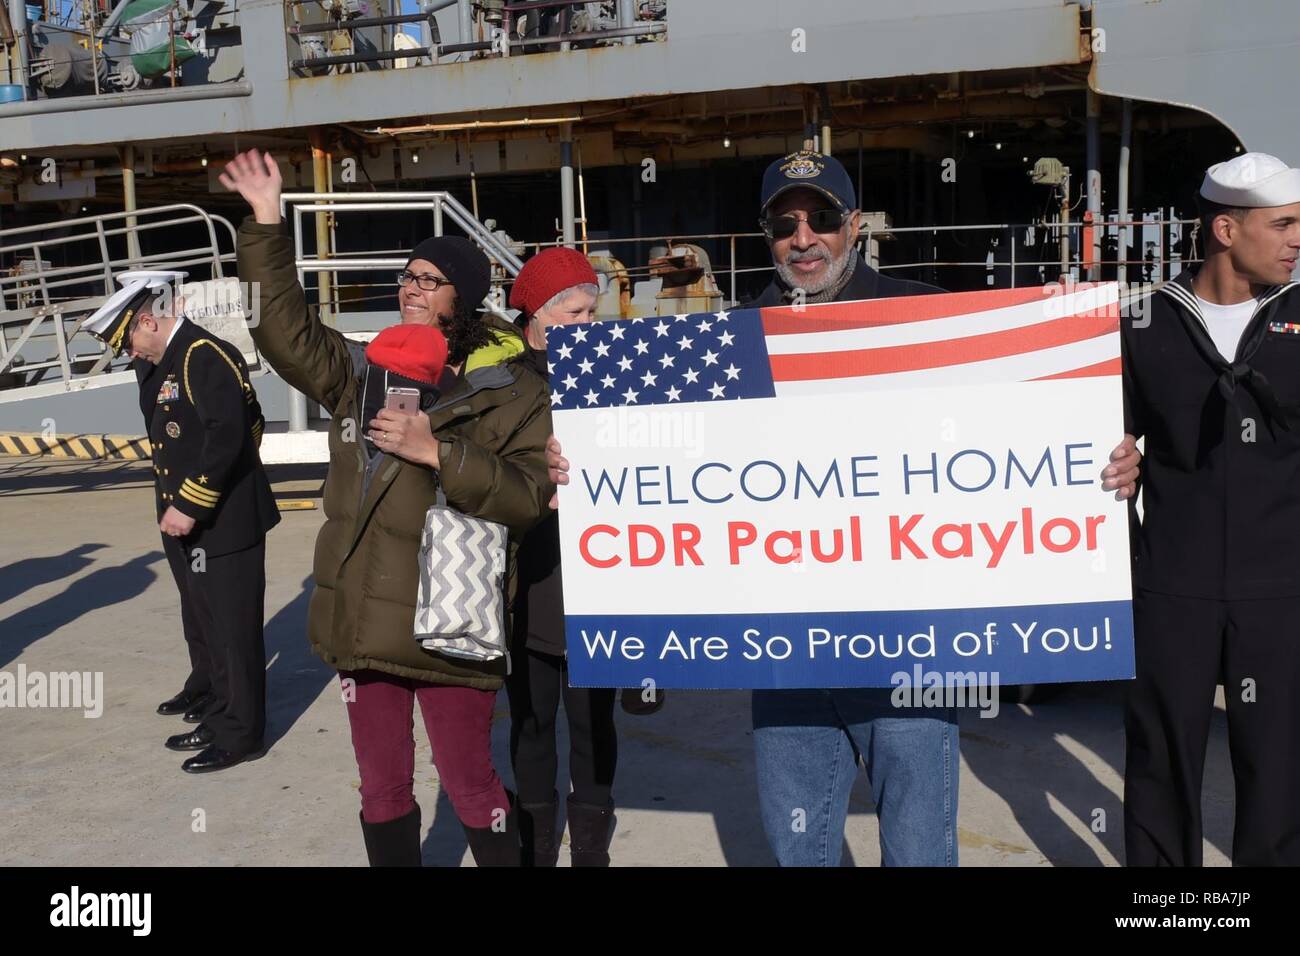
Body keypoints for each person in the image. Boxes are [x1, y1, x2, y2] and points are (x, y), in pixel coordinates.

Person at [545, 149, 1142, 866]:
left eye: (821, 218)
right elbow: (655, 469)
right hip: (784, 653)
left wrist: (1101, 464)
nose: (804, 238)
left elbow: (1034, 441)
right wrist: (584, 460)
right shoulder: (724, 342)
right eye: (784, 222)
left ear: (853, 225)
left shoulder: (925, 317)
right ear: (766, 232)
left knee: (920, 847)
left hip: (911, 648)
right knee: (799, 846)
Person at [221, 149, 553, 867]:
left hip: (454, 625)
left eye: (430, 282)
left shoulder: (515, 391)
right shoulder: (366, 372)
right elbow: (284, 333)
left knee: (470, 784)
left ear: (461, 298)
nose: (411, 289)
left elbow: (529, 497)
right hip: (367, 621)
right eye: (408, 276)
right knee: (381, 788)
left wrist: (439, 452)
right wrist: (267, 222)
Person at [1122, 151, 1300, 866]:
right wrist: (1116, 464)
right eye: (1284, 224)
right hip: (1170, 587)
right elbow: (1099, 437)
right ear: (1226, 229)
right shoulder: (1139, 324)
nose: (1297, 240)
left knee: (1280, 771)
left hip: (1283, 590)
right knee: (1161, 764)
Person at [84, 270, 279, 773]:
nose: (128, 352)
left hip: (222, 517)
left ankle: (241, 735)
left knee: (234, 632)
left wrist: (192, 502)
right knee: (203, 621)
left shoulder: (202, 354)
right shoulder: (168, 357)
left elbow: (234, 432)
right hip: (186, 517)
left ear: (148, 320)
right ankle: (216, 709)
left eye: (127, 339)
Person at [506, 247, 622, 866]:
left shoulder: (615, 379)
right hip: (531, 585)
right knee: (530, 727)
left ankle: (591, 855)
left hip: (597, 588)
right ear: (535, 315)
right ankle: (535, 850)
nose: (586, 327)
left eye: (591, 313)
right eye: (573, 313)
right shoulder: (503, 387)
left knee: (593, 728)